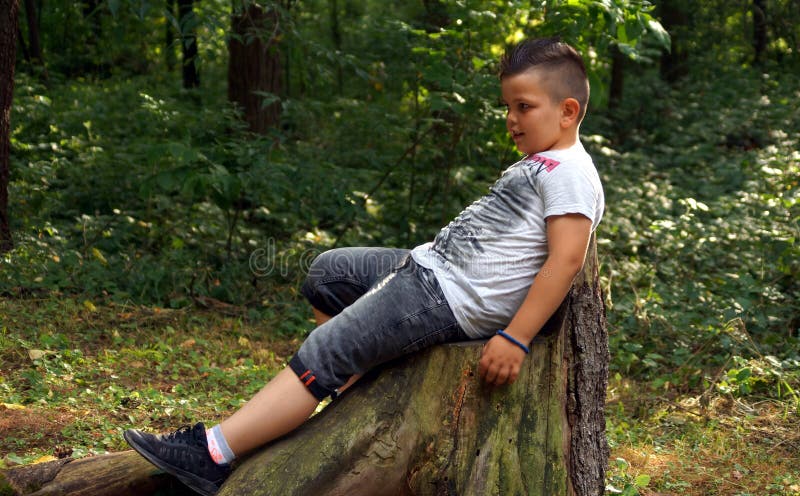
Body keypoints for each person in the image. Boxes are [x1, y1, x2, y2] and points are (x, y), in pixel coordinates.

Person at [124, 36, 604, 496]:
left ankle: (213, 454)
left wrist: (516, 337)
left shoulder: (571, 173)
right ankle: (355, 384)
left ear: (567, 111)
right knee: (328, 275)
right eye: (507, 107)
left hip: (449, 297)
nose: (511, 119)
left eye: (524, 107)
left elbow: (566, 260)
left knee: (326, 348)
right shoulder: (544, 162)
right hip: (429, 269)